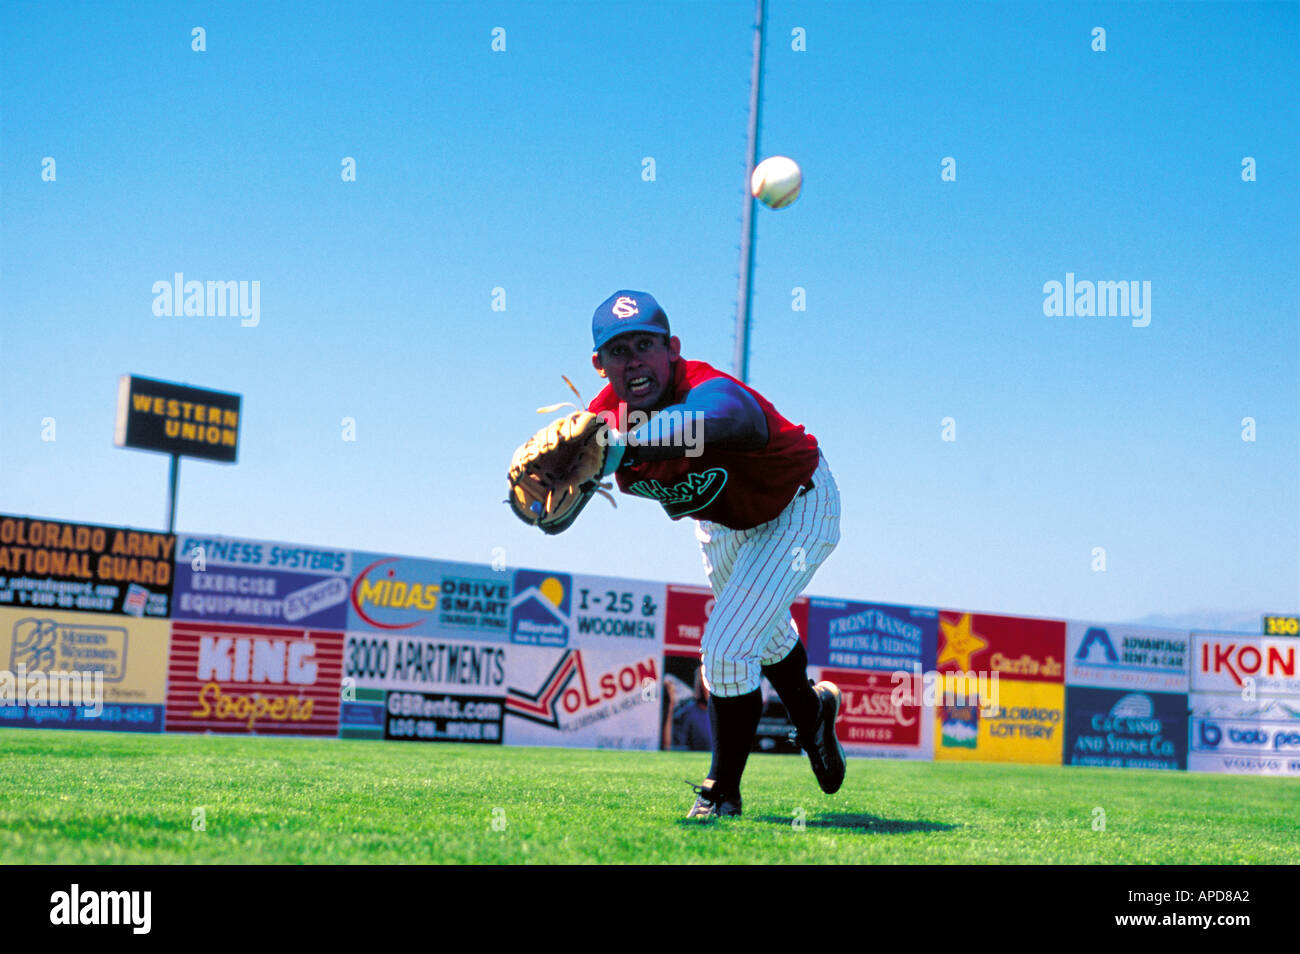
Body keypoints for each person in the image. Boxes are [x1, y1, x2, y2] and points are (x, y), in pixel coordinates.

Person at [584, 290, 844, 819]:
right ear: (600, 364)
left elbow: (732, 420)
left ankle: (721, 791)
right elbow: (566, 495)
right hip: (720, 521)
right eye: (618, 350)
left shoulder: (703, 386)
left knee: (726, 647)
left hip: (797, 502)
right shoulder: (600, 423)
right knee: (758, 631)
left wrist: (626, 444)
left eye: (645, 343)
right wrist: (558, 497)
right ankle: (812, 710)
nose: (633, 358)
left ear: (672, 348)